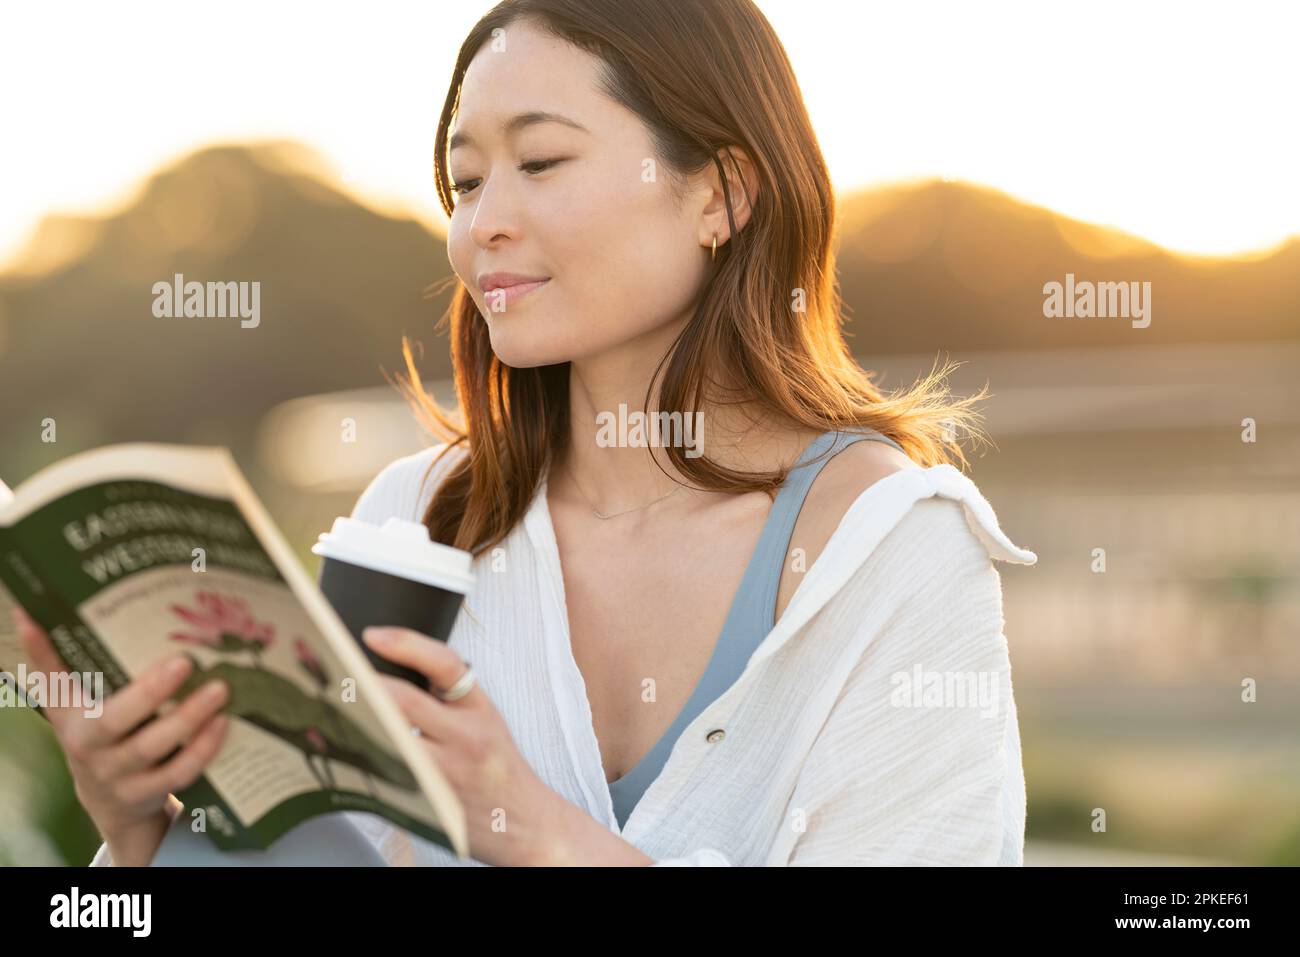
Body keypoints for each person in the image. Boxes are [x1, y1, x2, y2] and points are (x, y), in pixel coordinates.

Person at [21, 0, 1036, 866]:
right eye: (465, 182)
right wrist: (139, 826)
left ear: (720, 194)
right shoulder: (419, 521)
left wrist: (528, 824)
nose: (481, 226)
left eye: (541, 161)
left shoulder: (891, 546)